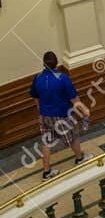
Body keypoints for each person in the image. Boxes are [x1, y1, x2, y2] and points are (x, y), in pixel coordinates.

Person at [29, 51, 85, 179]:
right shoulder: (63, 78)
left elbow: (34, 96)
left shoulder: (37, 78)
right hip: (62, 115)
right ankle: (80, 158)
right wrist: (83, 111)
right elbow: (74, 99)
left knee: (46, 142)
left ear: (44, 64)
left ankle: (47, 172)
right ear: (57, 63)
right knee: (73, 136)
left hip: (45, 115)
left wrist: (40, 108)